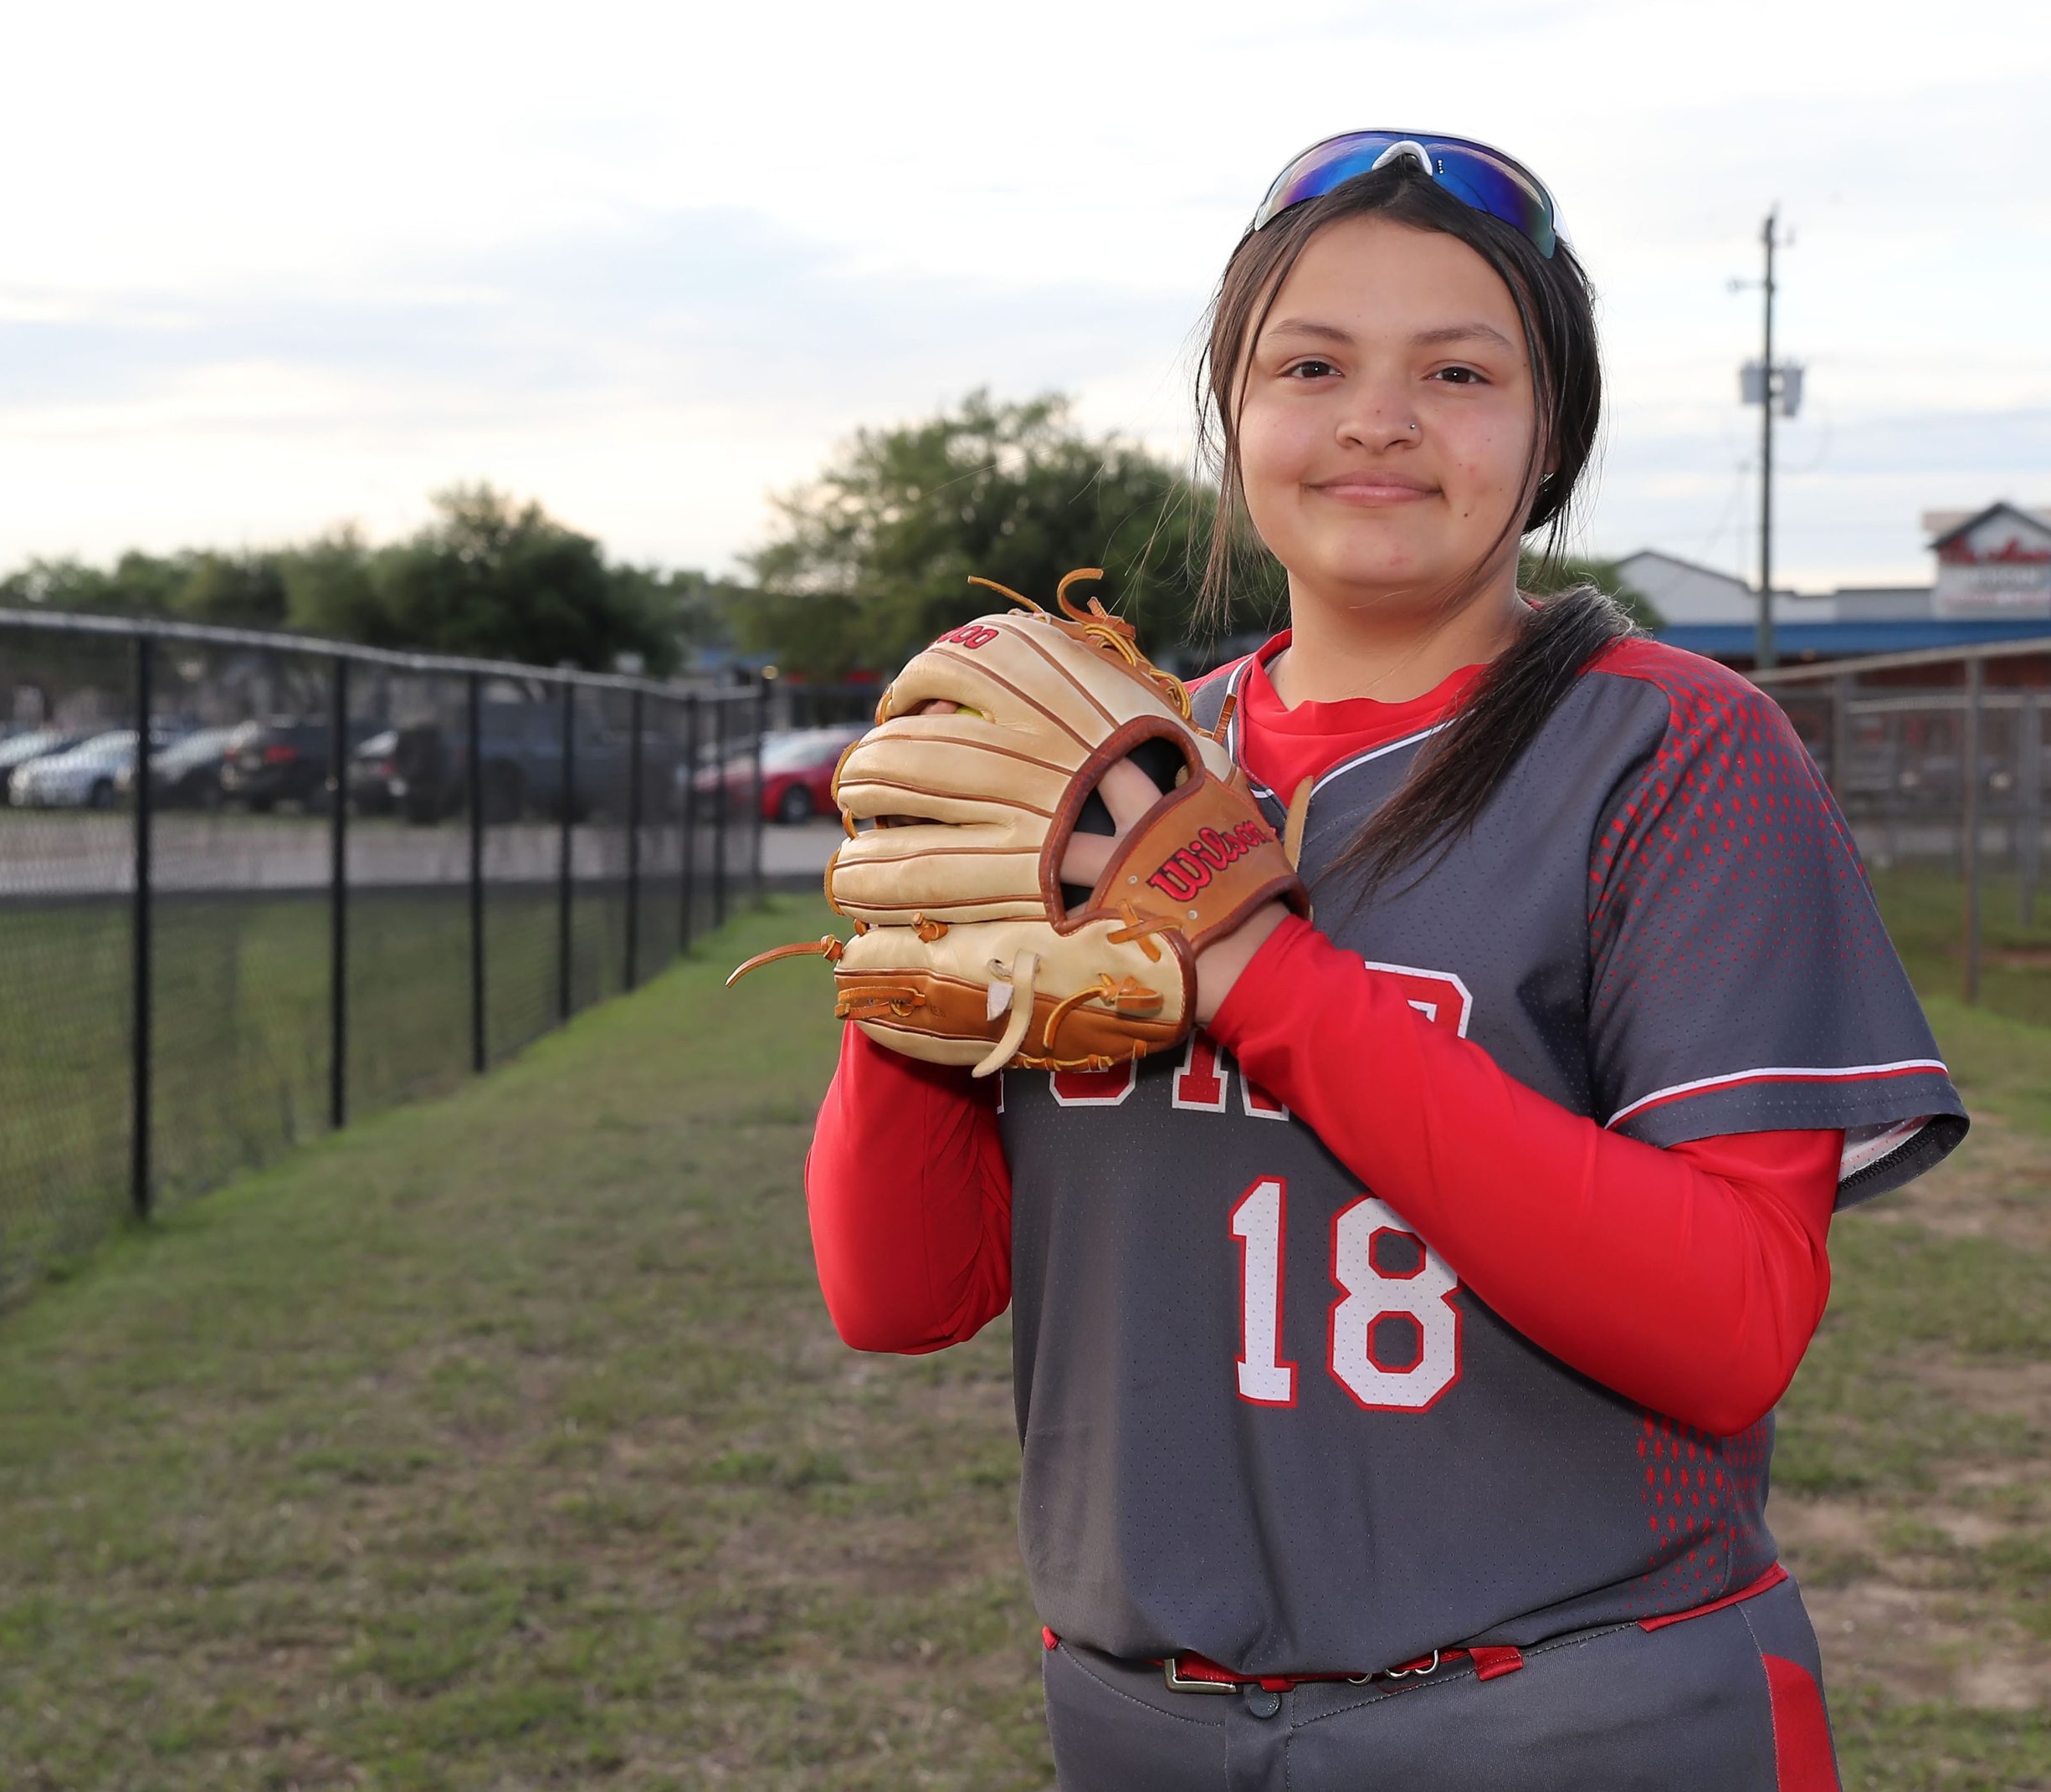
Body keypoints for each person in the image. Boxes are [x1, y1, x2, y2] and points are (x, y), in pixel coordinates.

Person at [802, 131, 1967, 1791]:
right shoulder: (1119, 765)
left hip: (1578, 1711)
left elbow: (1726, 1325)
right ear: (1235, 416)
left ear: (1548, 427)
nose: (1375, 416)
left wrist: (1249, 965)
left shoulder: (1678, 749)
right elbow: (901, 1297)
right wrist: (912, 974)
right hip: (1143, 1722)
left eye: (1456, 369)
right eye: (1310, 363)